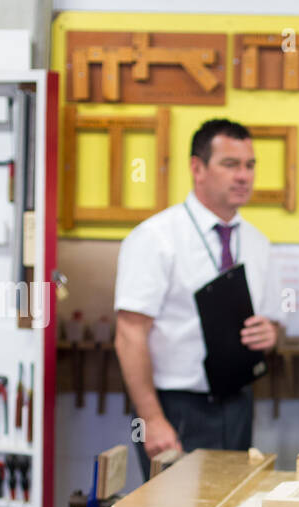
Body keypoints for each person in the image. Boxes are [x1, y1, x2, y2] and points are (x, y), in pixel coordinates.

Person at [114, 118, 282, 480]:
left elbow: (271, 320)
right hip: (173, 406)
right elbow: (129, 334)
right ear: (197, 168)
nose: (244, 176)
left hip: (237, 402)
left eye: (250, 165)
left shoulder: (258, 242)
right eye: (230, 164)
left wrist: (271, 332)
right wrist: (152, 420)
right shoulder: (155, 238)